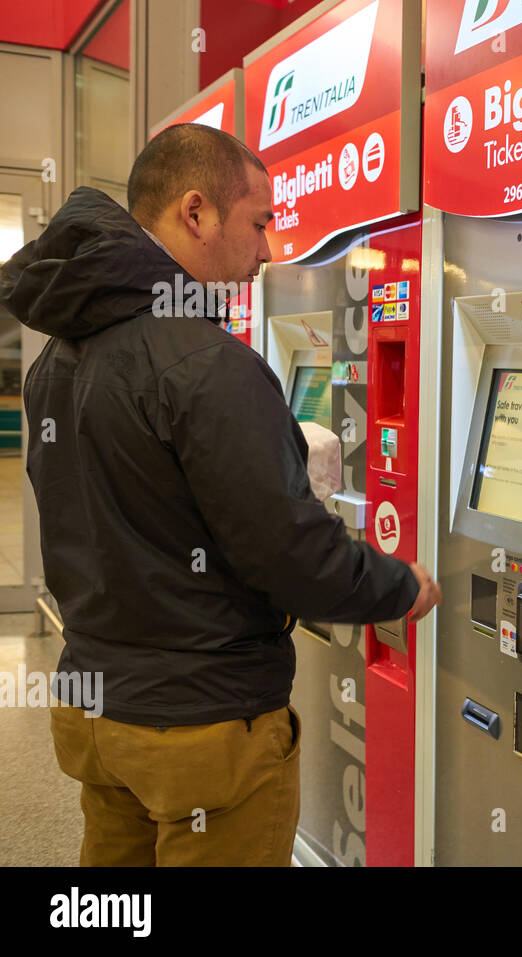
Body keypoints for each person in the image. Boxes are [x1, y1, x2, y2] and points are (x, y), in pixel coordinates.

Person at [0, 123, 439, 866]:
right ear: (196, 212)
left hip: (94, 710)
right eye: (260, 222)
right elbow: (288, 552)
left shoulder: (59, 360)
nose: (268, 251)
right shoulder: (206, 362)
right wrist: (401, 586)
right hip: (200, 726)